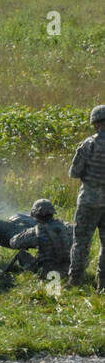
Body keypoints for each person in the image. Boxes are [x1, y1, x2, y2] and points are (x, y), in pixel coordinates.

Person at [68, 104, 105, 288]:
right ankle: (102, 284)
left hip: (89, 201)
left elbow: (74, 172)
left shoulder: (89, 144)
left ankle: (75, 281)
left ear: (95, 123)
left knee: (81, 242)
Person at [8, 199, 73, 279]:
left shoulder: (35, 231)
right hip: (70, 270)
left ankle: (3, 276)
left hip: (50, 273)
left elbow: (13, 243)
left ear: (35, 214)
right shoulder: (67, 226)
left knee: (22, 254)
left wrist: (26, 230)